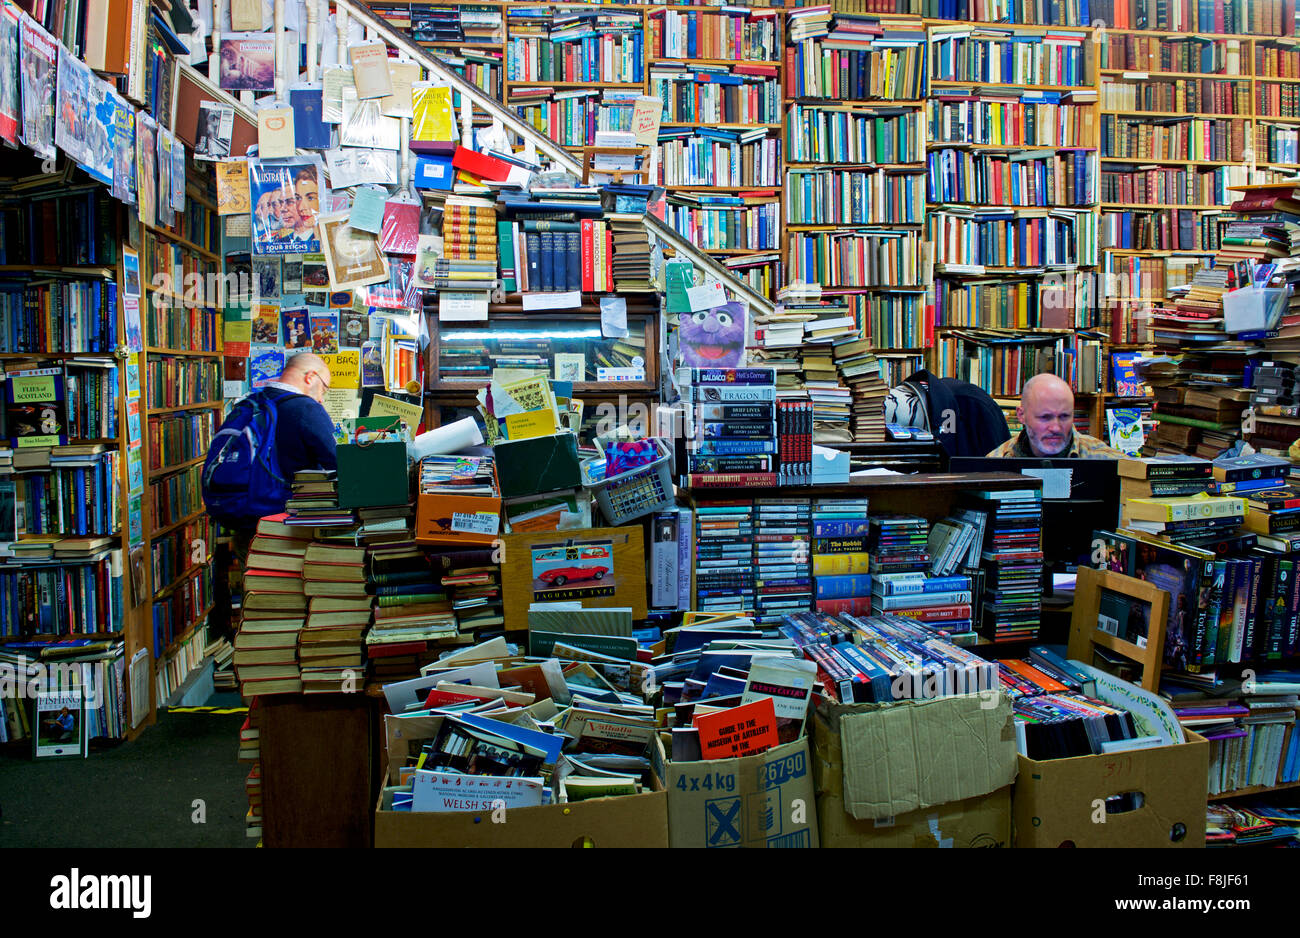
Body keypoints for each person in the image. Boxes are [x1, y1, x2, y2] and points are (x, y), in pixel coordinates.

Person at [222, 352, 338, 560]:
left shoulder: (249, 404)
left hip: (244, 527)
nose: (321, 398)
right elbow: (339, 463)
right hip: (284, 529)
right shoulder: (306, 408)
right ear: (310, 377)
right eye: (324, 388)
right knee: (283, 588)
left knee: (252, 589)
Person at [986, 372, 1123, 458]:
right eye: (1045, 417)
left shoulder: (1107, 461)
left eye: (1064, 417)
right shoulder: (995, 463)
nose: (1056, 428)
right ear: (1022, 415)